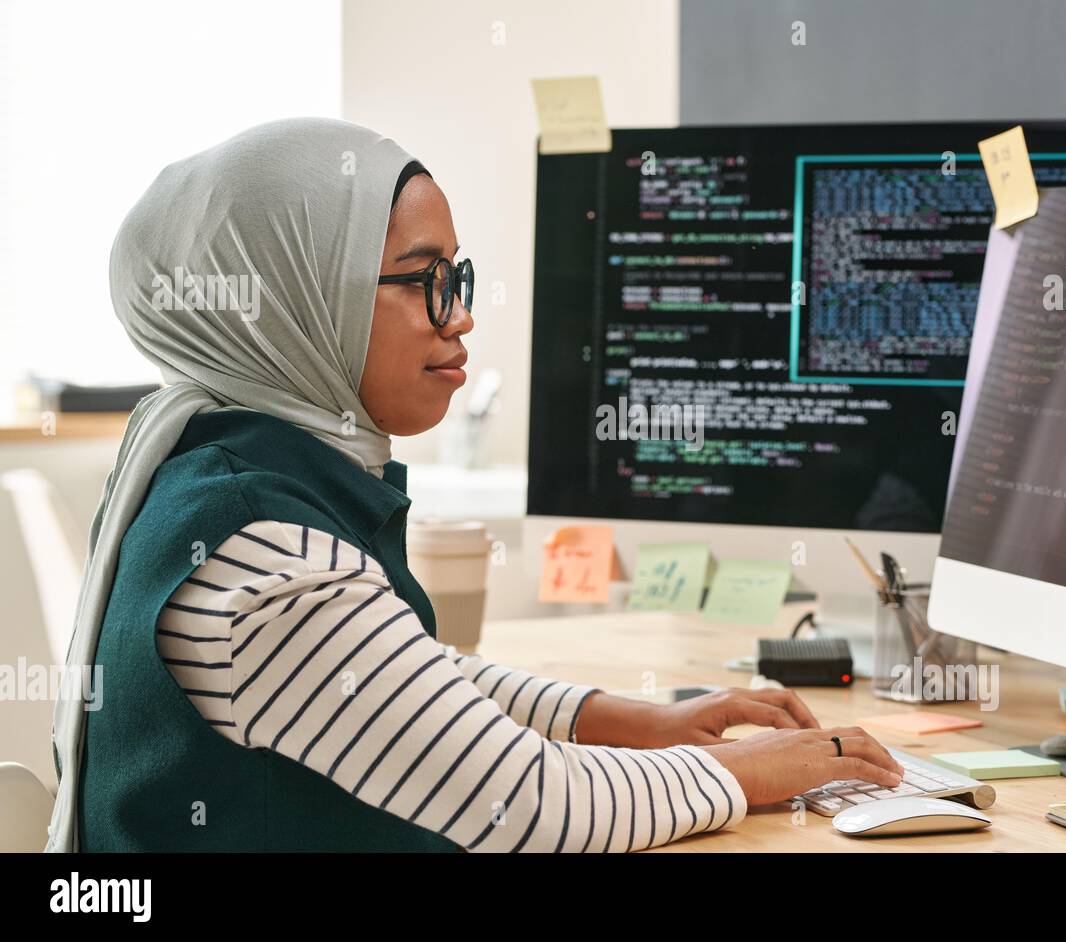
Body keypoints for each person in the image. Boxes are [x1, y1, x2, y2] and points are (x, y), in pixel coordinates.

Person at [48, 118, 903, 853]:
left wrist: (630, 719)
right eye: (425, 281)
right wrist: (743, 771)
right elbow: (522, 803)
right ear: (297, 300)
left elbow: (403, 679)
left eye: (456, 279)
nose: (459, 316)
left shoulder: (230, 466)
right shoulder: (261, 550)